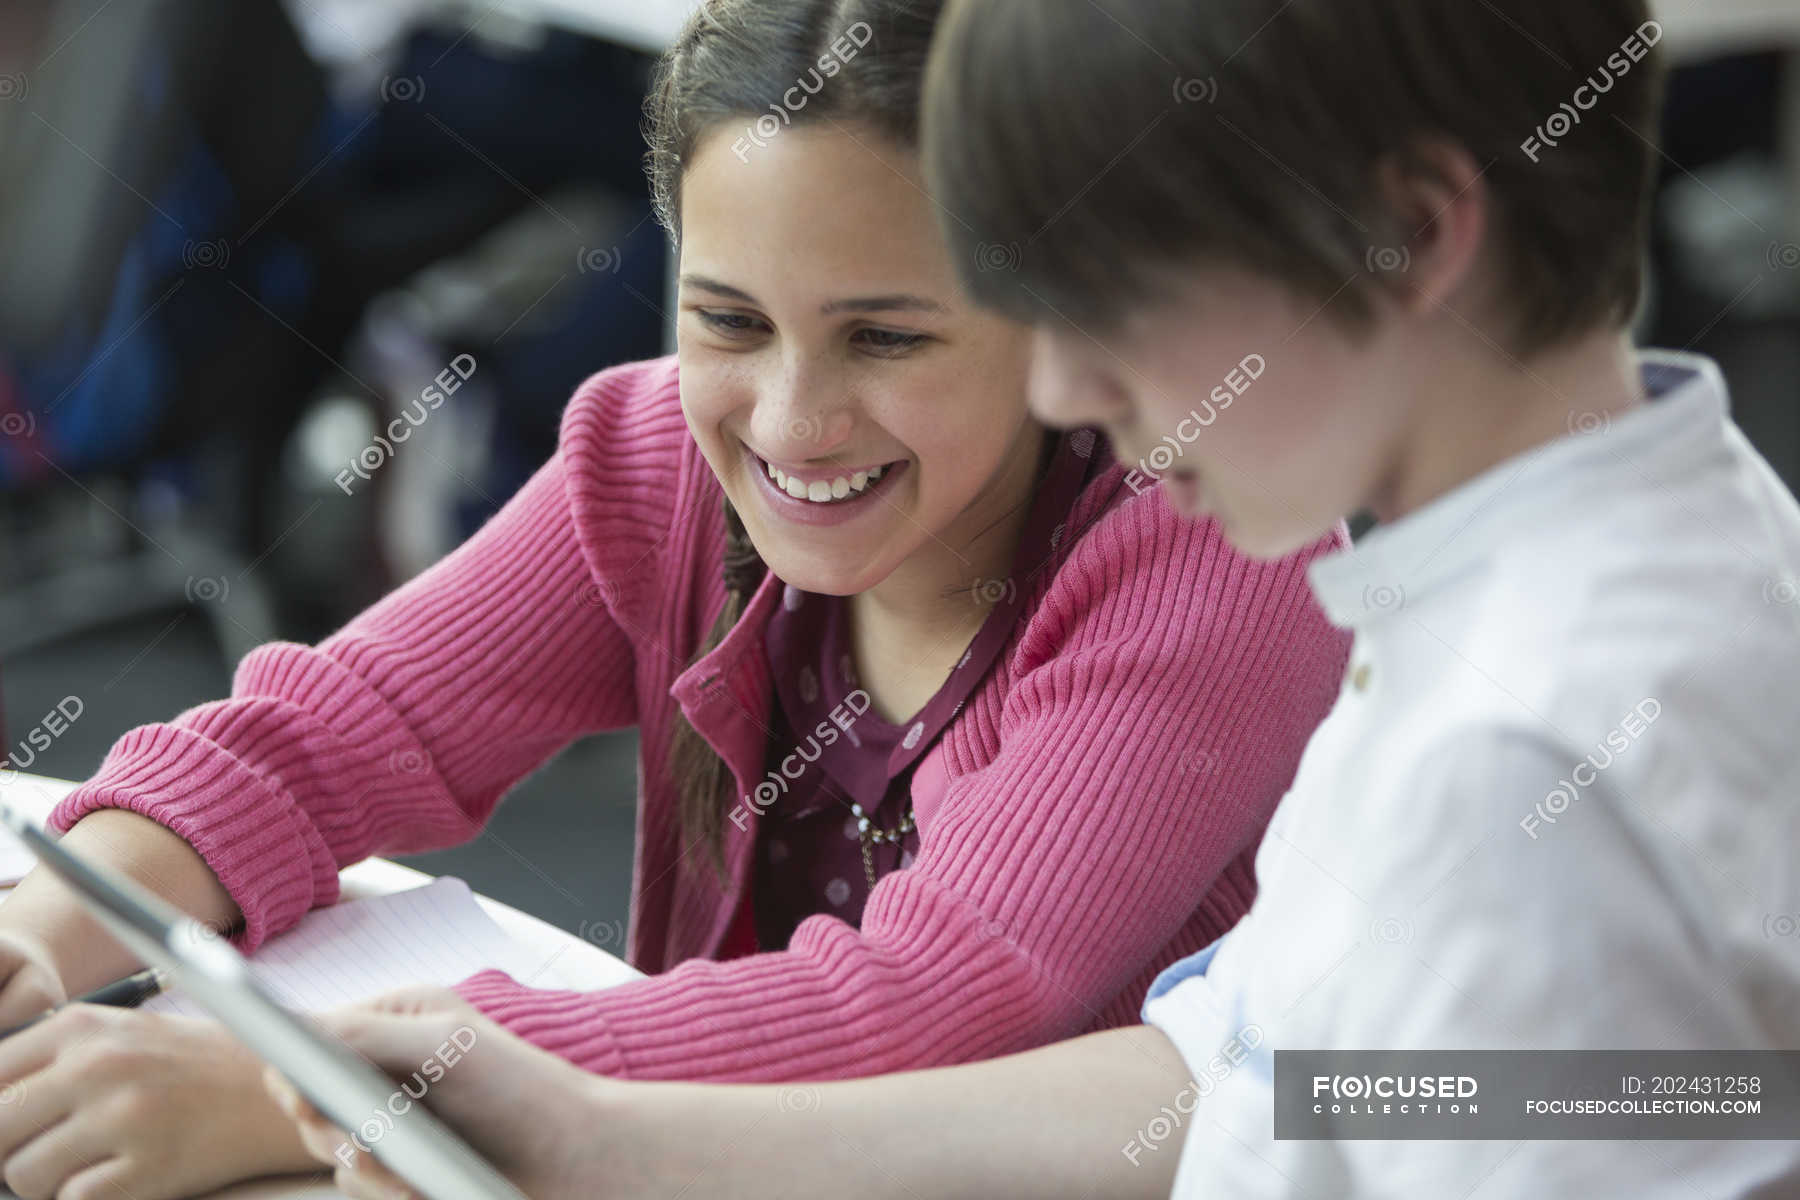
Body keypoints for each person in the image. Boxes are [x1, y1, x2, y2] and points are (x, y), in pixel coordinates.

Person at [265, 0, 1800, 1196]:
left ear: (1407, 237)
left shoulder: (1514, 758)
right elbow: (1276, 1076)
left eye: (1113, 289)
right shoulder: (1595, 557)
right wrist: (606, 1138)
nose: (1059, 385)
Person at [0, 1, 1351, 1196]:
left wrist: (298, 1092)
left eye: (887, 336)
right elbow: (325, 737)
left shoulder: (1209, 550)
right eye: (728, 320)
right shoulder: (661, 456)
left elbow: (930, 1007)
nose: (793, 421)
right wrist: (42, 935)